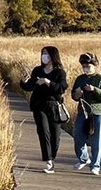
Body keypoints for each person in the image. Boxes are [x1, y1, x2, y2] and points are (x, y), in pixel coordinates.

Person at [19, 45, 68, 173]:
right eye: (42, 53)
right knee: (43, 131)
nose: (43, 56)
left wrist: (47, 82)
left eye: (46, 53)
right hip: (39, 105)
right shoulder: (37, 70)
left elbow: (62, 88)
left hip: (54, 106)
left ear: (53, 56)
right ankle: (48, 161)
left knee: (55, 135)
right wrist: (24, 81)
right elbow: (29, 87)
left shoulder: (59, 72)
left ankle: (52, 156)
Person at [71, 52, 101, 175]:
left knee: (97, 140)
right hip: (83, 112)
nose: (86, 68)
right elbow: (74, 95)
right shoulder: (80, 79)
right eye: (84, 66)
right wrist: (77, 94)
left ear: (94, 65)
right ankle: (84, 158)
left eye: (88, 66)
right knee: (78, 136)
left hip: (98, 112)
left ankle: (95, 165)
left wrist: (95, 90)